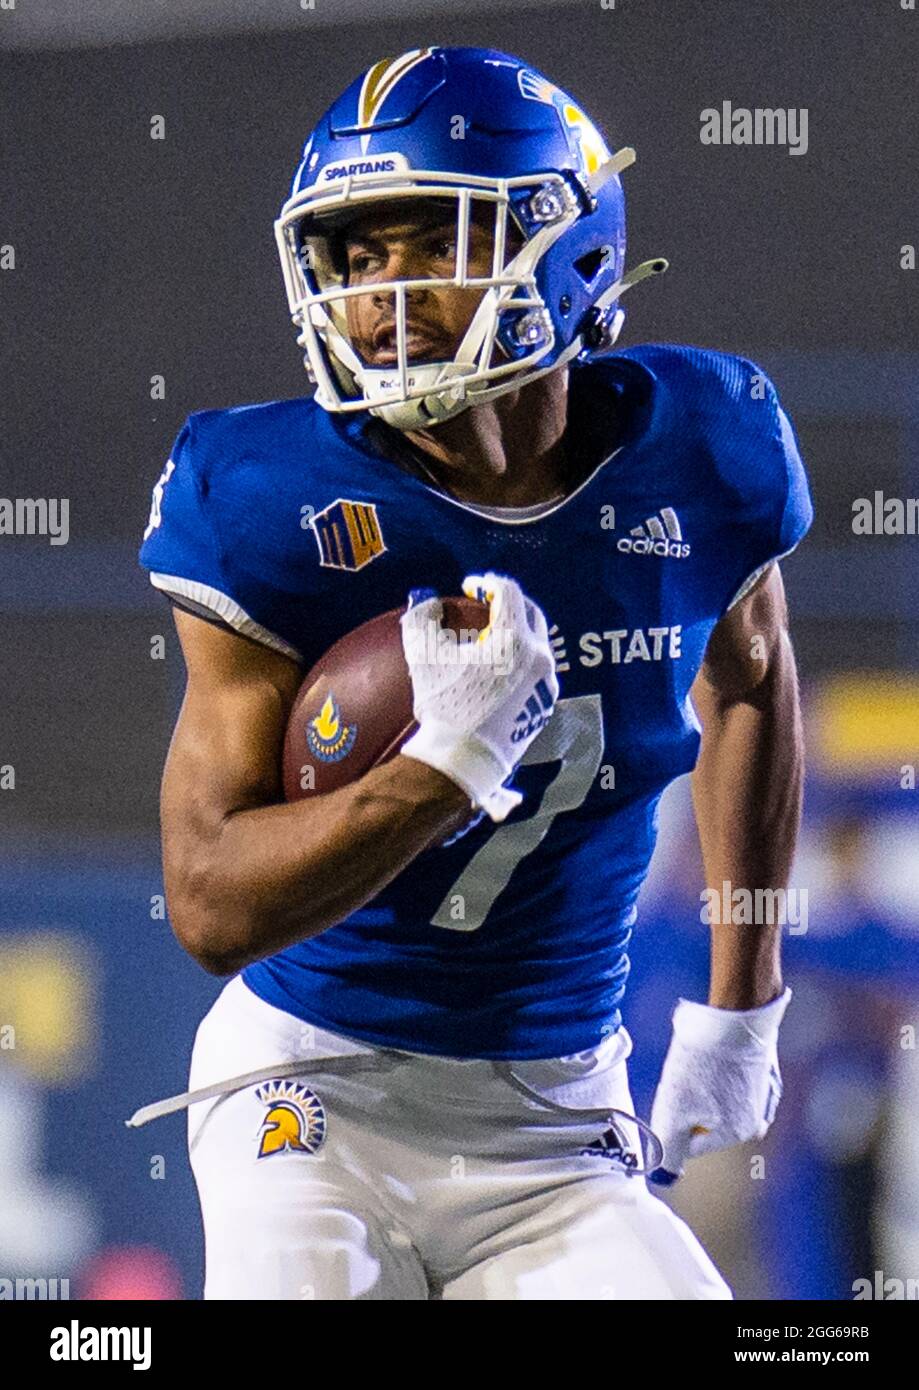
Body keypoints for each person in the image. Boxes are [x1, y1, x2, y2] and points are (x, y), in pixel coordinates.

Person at [130, 45, 812, 1300]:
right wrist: (442, 768)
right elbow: (208, 907)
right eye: (354, 256)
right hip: (311, 1087)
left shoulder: (708, 444)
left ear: (566, 246)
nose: (382, 293)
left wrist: (742, 1004)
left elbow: (752, 680)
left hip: (558, 1118)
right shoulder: (265, 497)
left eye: (424, 242)